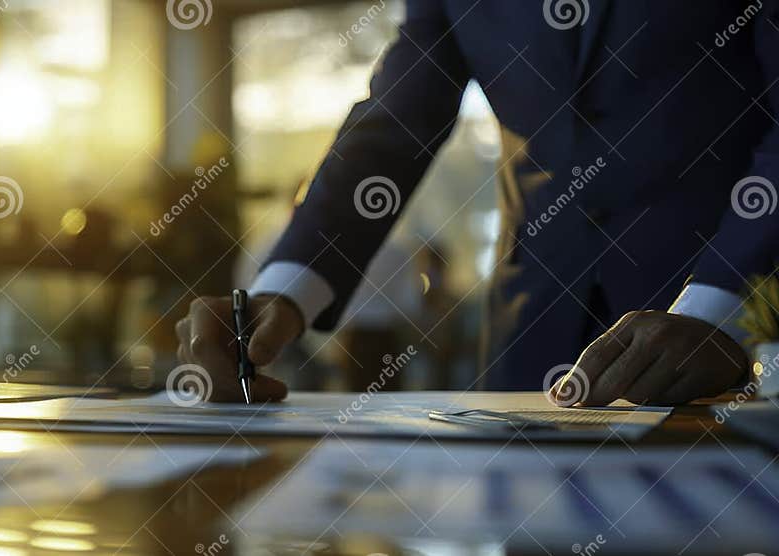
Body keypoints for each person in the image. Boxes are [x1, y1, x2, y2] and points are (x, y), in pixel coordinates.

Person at [175, 0, 779, 405]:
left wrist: (719, 308)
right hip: (534, 331)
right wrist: (280, 291)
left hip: (728, 333)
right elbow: (393, 127)